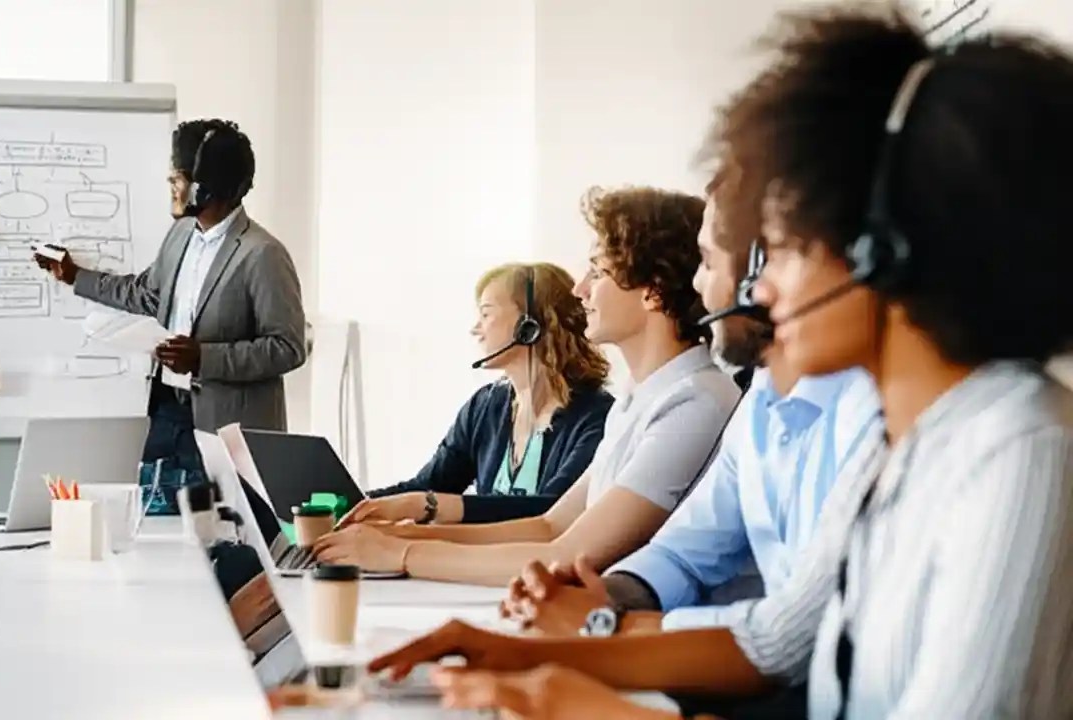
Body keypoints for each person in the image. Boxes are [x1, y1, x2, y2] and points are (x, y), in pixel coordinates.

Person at [366, 7, 1073, 719]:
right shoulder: (899, 447)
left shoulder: (1019, 447)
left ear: (881, 255)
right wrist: (519, 655)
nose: (759, 291)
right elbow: (771, 641)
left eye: (787, 251)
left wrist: (590, 706)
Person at [505, 175, 884, 643]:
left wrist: (610, 623)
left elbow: (791, 638)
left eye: (707, 262)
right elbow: (680, 554)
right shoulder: (759, 401)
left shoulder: (863, 416)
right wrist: (601, 596)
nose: (697, 285)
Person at [315, 186, 742, 586]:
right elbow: (549, 526)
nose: (580, 289)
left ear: (653, 291)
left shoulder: (694, 402)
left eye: (598, 271)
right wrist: (402, 534)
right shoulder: (638, 398)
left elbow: (568, 555)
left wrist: (402, 553)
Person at [36, 119, 307, 507]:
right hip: (168, 414)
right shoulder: (181, 235)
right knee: (155, 528)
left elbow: (288, 347)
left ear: (205, 187)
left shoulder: (263, 254)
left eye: (177, 178)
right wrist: (75, 276)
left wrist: (203, 358)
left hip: (225, 432)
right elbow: (148, 294)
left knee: (221, 538)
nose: (171, 185)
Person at [341, 261, 614, 527]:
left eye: (486, 314)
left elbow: (554, 514)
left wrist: (430, 505)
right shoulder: (486, 406)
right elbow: (431, 484)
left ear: (530, 324)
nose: (476, 329)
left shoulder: (598, 417)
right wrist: (352, 503)